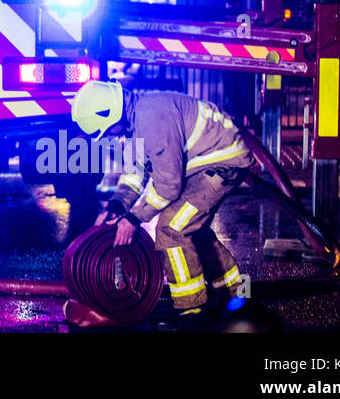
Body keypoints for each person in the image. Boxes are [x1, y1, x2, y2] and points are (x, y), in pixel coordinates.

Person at [73, 79, 252, 320]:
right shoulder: (135, 121)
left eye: (105, 131)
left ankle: (191, 309)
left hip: (222, 164)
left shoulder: (152, 119)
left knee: (171, 229)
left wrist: (134, 218)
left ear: (109, 116)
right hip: (205, 165)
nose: (108, 138)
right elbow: (134, 175)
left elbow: (168, 186)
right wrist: (117, 206)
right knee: (193, 230)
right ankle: (237, 293)